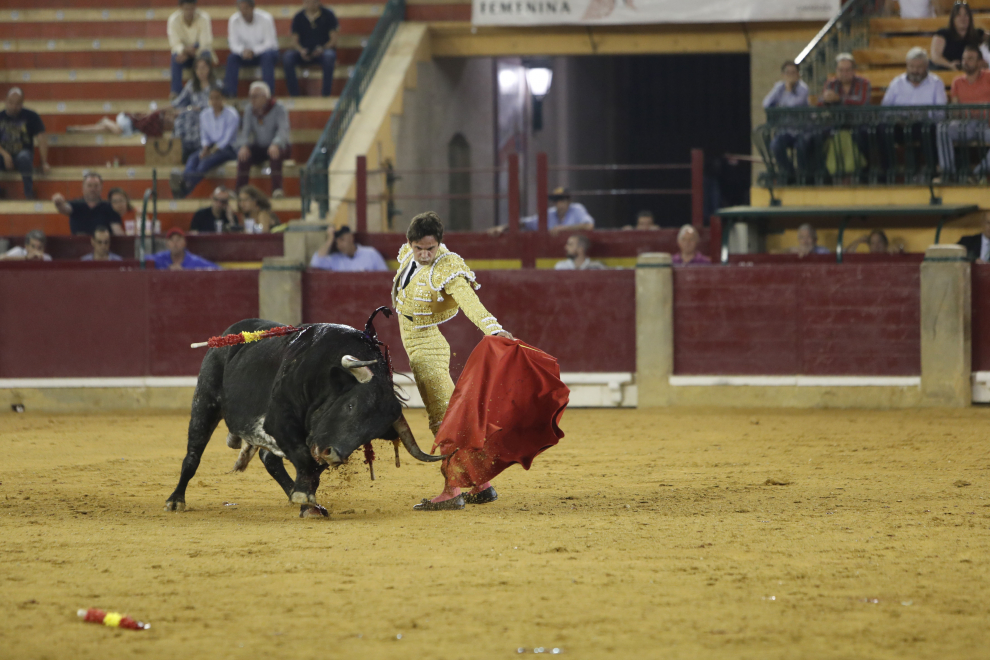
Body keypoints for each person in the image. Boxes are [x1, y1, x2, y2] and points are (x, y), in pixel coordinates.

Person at [392, 212, 514, 510]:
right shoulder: (408, 254)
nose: (424, 254)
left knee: (443, 421)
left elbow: (467, 299)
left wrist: (493, 329)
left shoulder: (448, 266)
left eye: (430, 249)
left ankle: (452, 490)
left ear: (439, 245)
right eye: (419, 248)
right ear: (410, 243)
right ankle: (481, 484)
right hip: (415, 341)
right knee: (449, 415)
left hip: (426, 345)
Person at [881, 48, 947, 179]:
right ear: (907, 65)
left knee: (930, 129)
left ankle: (931, 170)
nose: (915, 71)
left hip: (923, 126)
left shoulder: (936, 83)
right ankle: (888, 171)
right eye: (911, 66)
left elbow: (941, 112)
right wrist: (897, 118)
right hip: (899, 125)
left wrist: (920, 116)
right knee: (882, 129)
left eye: (919, 67)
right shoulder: (897, 83)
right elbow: (884, 109)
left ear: (926, 66)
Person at [170, 87, 240, 198]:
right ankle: (185, 184)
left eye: (217, 98)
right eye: (212, 98)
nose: (214, 101)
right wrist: (206, 148)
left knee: (205, 163)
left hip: (227, 149)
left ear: (223, 99)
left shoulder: (232, 114)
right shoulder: (205, 114)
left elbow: (226, 139)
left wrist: (211, 151)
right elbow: (204, 136)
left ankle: (184, 186)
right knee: (193, 158)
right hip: (210, 146)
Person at [938, 46, 990, 181]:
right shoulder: (957, 82)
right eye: (964, 59)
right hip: (967, 124)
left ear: (980, 62)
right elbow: (955, 111)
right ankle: (948, 173)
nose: (965, 62)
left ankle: (978, 173)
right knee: (943, 129)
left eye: (970, 59)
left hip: (988, 125)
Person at [235, 81, 291, 197]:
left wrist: (275, 143)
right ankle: (240, 191)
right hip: (260, 146)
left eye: (255, 96)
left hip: (279, 146)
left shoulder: (279, 108)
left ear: (265, 97)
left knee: (275, 153)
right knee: (244, 155)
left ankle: (277, 190)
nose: (252, 100)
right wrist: (244, 146)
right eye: (250, 96)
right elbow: (244, 132)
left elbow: (283, 131)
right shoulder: (249, 110)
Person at [764, 61, 810, 183]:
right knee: (775, 145)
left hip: (802, 130)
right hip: (785, 130)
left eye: (793, 72)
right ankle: (789, 174)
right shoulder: (779, 87)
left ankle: (804, 176)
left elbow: (794, 105)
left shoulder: (803, 88)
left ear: (798, 74)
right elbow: (766, 103)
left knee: (802, 146)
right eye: (787, 72)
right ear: (783, 74)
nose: (790, 75)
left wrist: (788, 91)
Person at [171, 53, 223, 163]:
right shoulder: (191, 85)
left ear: (209, 69)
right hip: (193, 114)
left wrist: (201, 109)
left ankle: (200, 150)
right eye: (198, 68)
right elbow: (179, 102)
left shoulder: (216, 85)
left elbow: (219, 105)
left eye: (204, 68)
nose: (201, 71)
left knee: (199, 119)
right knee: (182, 118)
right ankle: (183, 150)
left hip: (211, 115)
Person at [0, 88, 49, 199]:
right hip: (3, 155)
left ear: (22, 103)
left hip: (22, 155)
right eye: (11, 103)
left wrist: (44, 162)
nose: (13, 106)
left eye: (17, 104)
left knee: (24, 157)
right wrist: (5, 154)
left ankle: (28, 192)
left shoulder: (31, 116)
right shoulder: (0, 116)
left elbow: (42, 138)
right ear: (5, 101)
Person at [284, 0, 339, 97]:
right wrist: (301, 50)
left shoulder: (328, 15)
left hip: (322, 52)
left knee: (329, 56)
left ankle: (326, 94)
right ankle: (294, 95)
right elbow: (294, 41)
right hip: (303, 52)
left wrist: (322, 48)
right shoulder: (298, 17)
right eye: (306, 2)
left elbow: (333, 40)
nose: (308, 4)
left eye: (312, 2)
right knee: (287, 57)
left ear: (318, 3)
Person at [225, 0, 278, 98]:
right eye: (241, 9)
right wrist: (242, 51)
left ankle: (269, 94)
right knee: (232, 58)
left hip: (263, 53)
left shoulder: (266, 18)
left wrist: (254, 51)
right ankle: (230, 94)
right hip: (244, 55)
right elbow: (233, 44)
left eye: (246, 9)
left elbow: (270, 42)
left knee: (267, 56)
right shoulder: (234, 20)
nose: (243, 12)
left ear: (253, 8)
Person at [491, 187, 595, 235]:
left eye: (561, 200)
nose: (558, 204)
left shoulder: (577, 209)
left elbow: (589, 226)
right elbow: (526, 223)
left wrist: (563, 229)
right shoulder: (550, 214)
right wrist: (503, 227)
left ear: (568, 201)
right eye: (556, 200)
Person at [167, 0, 216, 97]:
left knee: (206, 56)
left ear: (195, 7)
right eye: (186, 8)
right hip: (184, 54)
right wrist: (184, 51)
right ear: (180, 8)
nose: (189, 11)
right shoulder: (173, 20)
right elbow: (175, 43)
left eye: (191, 8)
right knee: (175, 58)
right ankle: (176, 92)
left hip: (200, 53)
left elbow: (205, 43)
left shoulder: (204, 18)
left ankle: (209, 89)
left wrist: (191, 51)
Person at [52, 173, 124, 236]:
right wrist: (59, 203)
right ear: (83, 188)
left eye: (96, 186)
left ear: (101, 188)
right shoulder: (75, 205)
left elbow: (117, 231)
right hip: (78, 248)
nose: (92, 189)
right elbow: (64, 209)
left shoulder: (109, 207)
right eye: (89, 186)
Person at [931, 2, 985, 71]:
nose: (963, 18)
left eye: (966, 14)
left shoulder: (977, 34)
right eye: (958, 15)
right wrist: (950, 64)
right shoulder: (943, 34)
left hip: (971, 73)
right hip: (946, 71)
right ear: (953, 18)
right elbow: (935, 57)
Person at [310, 225, 388, 271]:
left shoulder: (371, 254)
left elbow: (384, 276)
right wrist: (330, 239)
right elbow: (316, 262)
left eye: (342, 239)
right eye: (337, 242)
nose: (340, 245)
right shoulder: (335, 259)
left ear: (351, 238)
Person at [150, 227, 220, 270]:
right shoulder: (160, 259)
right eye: (172, 240)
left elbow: (218, 269)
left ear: (184, 243)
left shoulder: (195, 261)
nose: (175, 243)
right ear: (167, 244)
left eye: (178, 240)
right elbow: (142, 260)